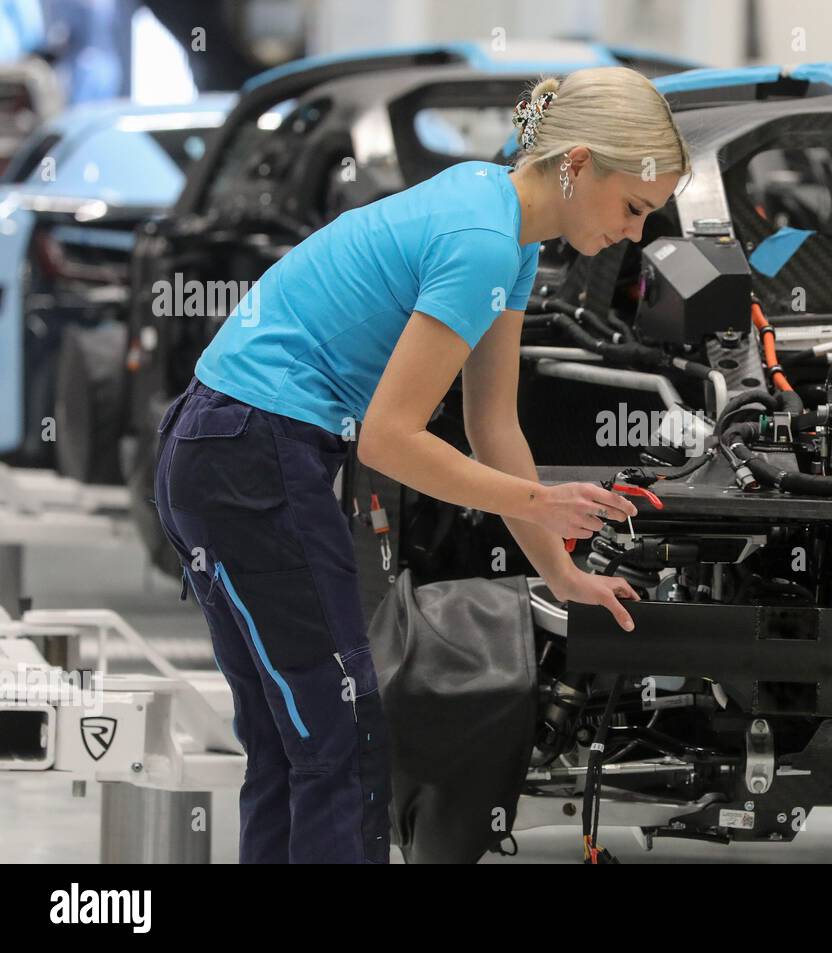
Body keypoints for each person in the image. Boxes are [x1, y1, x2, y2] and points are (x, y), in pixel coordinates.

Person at [150, 66, 691, 863]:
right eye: (634, 206)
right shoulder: (479, 242)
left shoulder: (496, 219)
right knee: (344, 735)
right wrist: (537, 502)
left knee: (290, 739)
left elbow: (491, 424)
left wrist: (563, 571)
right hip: (253, 454)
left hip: (222, 445)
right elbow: (391, 440)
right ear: (576, 165)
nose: (636, 233)